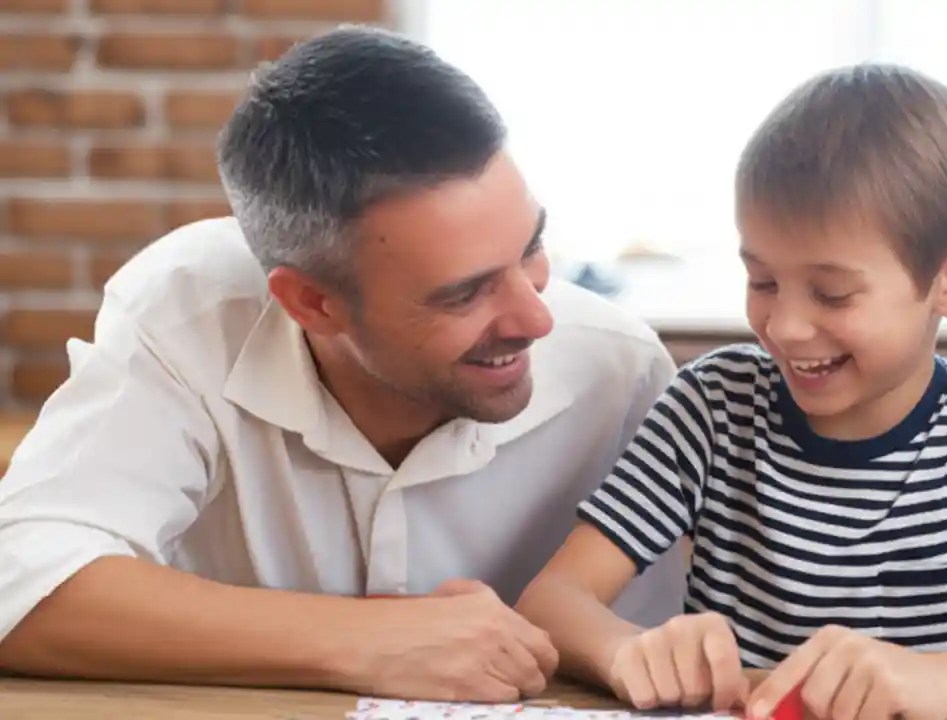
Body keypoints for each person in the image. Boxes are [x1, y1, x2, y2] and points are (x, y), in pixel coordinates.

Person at [0, 26, 685, 701]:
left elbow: (655, 662)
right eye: (464, 293)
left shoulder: (619, 372)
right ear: (312, 304)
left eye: (532, 248)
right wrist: (366, 639)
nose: (536, 318)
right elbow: (20, 580)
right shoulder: (188, 314)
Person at [516, 64, 947, 720]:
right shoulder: (711, 406)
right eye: (762, 281)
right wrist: (630, 650)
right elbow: (550, 602)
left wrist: (937, 681)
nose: (786, 327)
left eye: (832, 293)